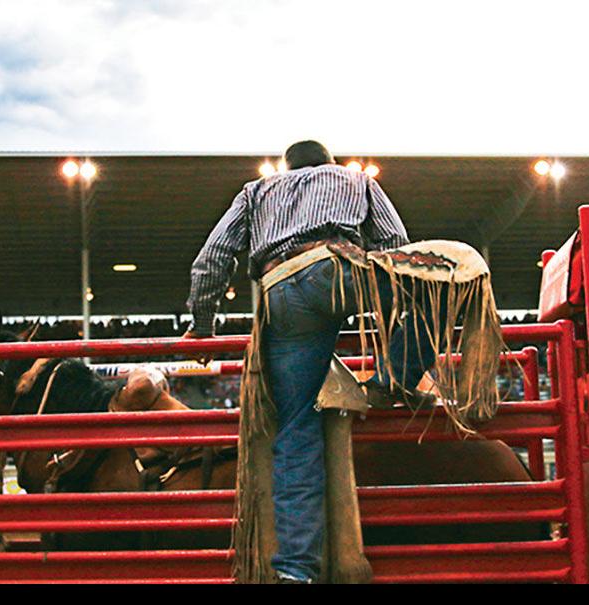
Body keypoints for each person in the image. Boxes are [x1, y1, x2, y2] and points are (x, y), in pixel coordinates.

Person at [184, 140, 438, 583]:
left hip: (280, 290)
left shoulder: (255, 192)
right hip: (339, 270)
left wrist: (204, 326)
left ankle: (296, 570)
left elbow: (211, 260)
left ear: (284, 168)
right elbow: (397, 244)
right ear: (330, 164)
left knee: (296, 430)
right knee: (441, 289)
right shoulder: (356, 180)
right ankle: (391, 379)